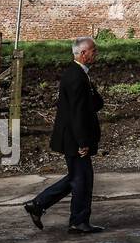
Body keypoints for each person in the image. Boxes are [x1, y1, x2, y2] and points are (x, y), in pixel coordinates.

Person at [23, 36, 105, 233]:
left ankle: (39, 204)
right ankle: (78, 222)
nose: (96, 54)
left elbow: (94, 104)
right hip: (74, 139)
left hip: (73, 138)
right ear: (83, 53)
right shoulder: (76, 76)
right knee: (82, 179)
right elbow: (77, 113)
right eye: (93, 51)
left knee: (78, 178)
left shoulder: (80, 73)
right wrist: (82, 142)